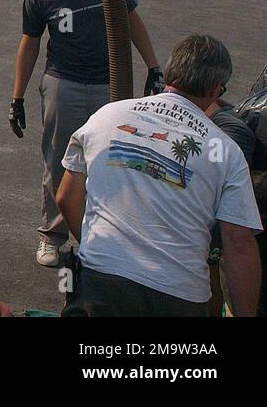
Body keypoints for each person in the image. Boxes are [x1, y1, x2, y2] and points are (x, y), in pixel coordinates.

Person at [57, 34, 262, 317]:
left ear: (170, 72)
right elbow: (239, 243)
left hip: (102, 283)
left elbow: (66, 197)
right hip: (179, 296)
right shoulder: (225, 150)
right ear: (217, 89)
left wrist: (98, 248)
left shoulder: (106, 116)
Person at [8, 0, 162, 268]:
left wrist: (153, 66)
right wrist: (17, 97)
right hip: (64, 83)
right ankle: (52, 235)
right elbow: (30, 43)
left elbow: (131, 19)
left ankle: (109, 232)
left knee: (113, 158)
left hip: (110, 82)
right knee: (58, 160)